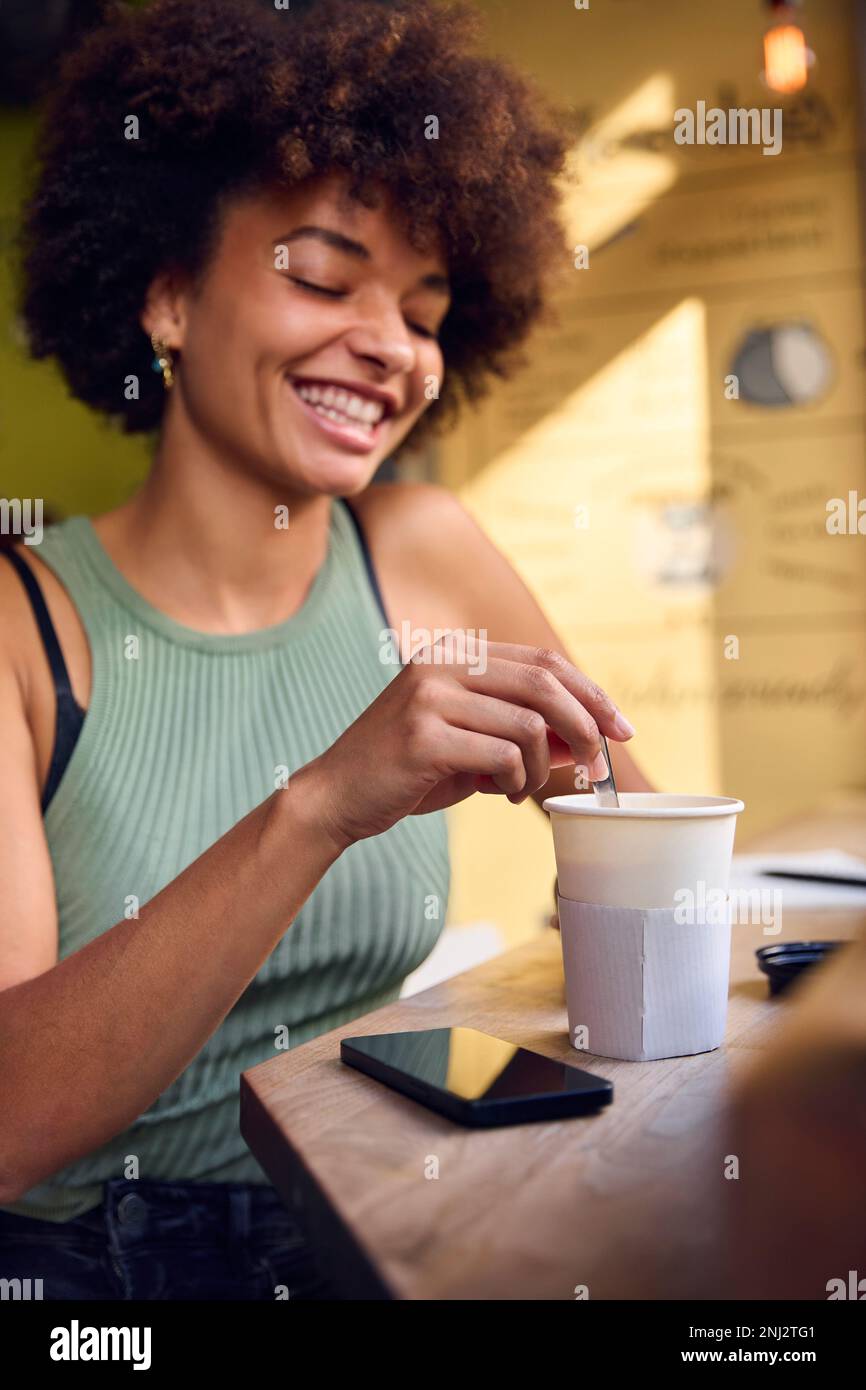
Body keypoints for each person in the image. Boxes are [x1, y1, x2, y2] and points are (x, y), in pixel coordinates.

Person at [0, 0, 650, 1300]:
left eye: (423, 308)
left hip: (377, 1220)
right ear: (168, 294)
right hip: (92, 1284)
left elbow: (642, 862)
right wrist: (318, 806)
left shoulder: (423, 551)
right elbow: (11, 1123)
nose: (393, 348)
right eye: (321, 273)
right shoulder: (24, 625)